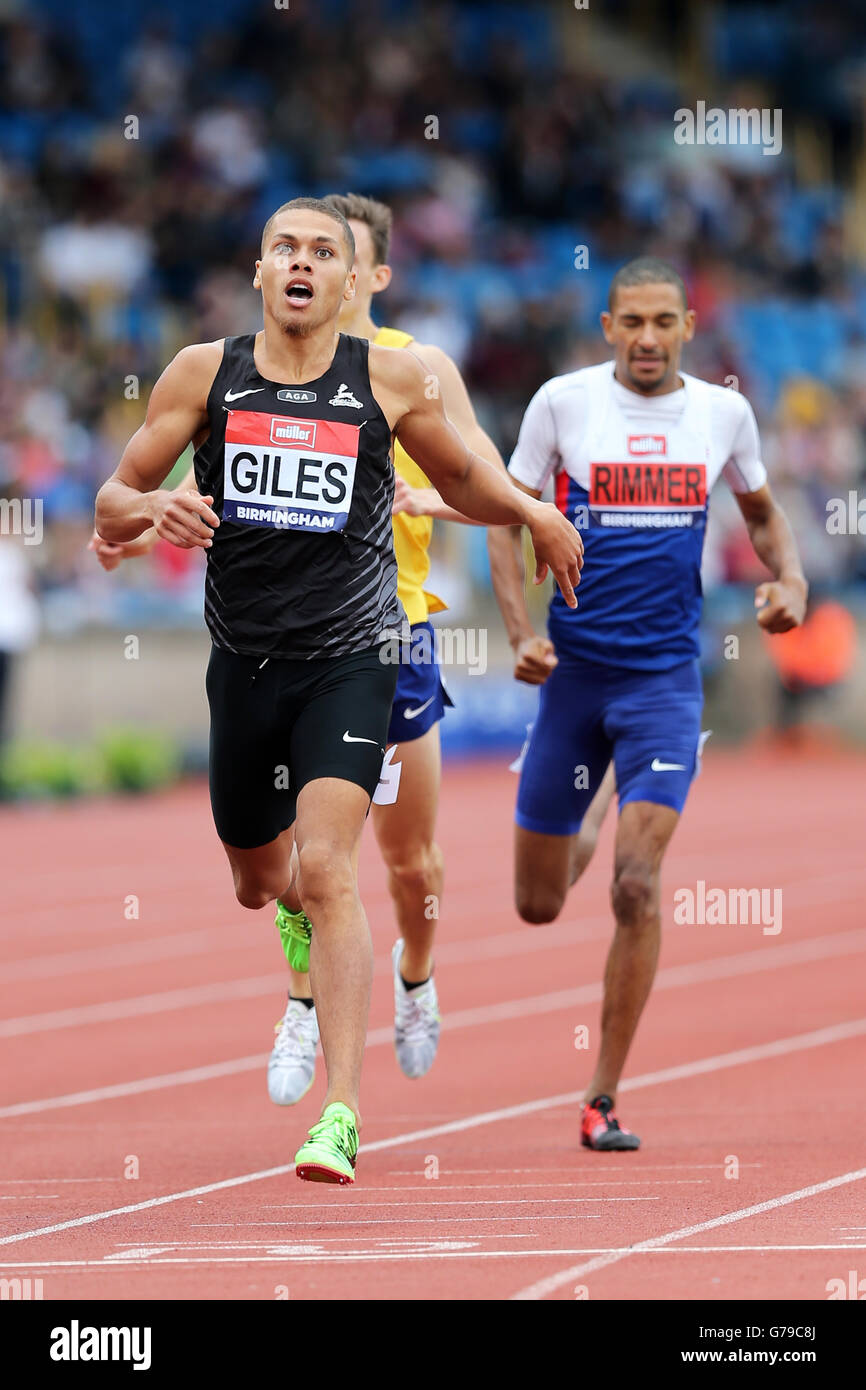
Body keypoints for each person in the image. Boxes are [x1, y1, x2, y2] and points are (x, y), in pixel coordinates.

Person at [94, 197, 582, 1184]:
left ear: (355, 277)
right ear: (261, 270)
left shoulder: (395, 376)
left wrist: (534, 511)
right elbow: (111, 502)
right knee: (261, 880)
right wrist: (155, 505)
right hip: (243, 663)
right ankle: (289, 918)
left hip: (359, 655)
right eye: (286, 248)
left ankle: (341, 1114)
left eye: (324, 251)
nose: (302, 263)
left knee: (334, 868)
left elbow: (469, 477)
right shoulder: (204, 371)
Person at [487, 257, 807, 1151]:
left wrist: (794, 580)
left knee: (637, 885)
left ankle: (602, 1097)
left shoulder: (722, 413)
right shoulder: (563, 404)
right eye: (632, 321)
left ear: (688, 328)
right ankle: (587, 809)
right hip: (574, 681)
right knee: (538, 903)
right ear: (607, 326)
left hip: (665, 682)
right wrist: (520, 634)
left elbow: (765, 514)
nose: (648, 338)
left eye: (665, 321)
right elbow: (509, 520)